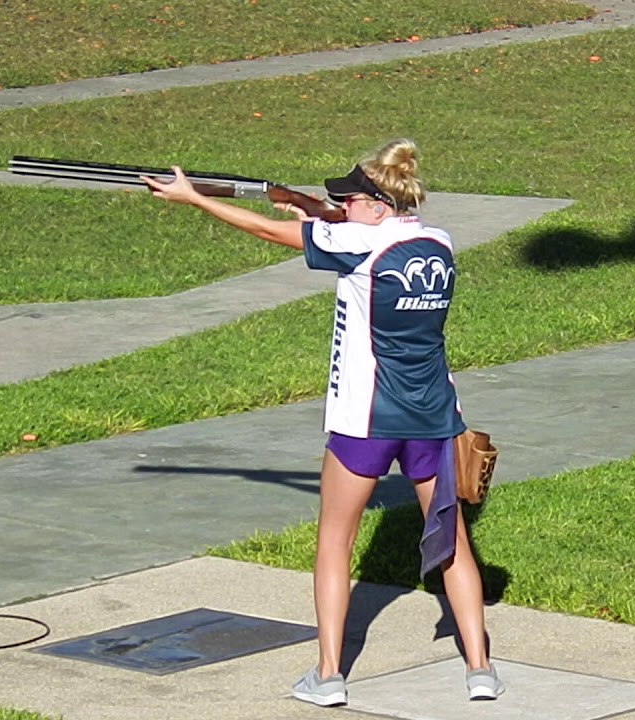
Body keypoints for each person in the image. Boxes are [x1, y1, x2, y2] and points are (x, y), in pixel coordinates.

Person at [142, 138, 502, 705]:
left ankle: (329, 674)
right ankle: (480, 668)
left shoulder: (356, 242)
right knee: (452, 543)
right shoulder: (438, 241)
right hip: (434, 417)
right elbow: (363, 236)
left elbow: (265, 233)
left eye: (352, 200)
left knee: (335, 541)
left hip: (365, 417)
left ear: (378, 205)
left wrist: (194, 198)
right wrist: (318, 213)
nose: (345, 206)